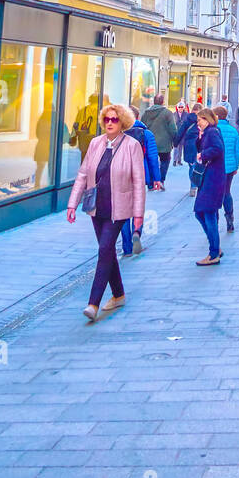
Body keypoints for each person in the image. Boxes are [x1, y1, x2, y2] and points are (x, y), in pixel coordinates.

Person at [67, 104, 146, 321]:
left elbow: (139, 182)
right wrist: (72, 203)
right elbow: (83, 174)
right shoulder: (95, 143)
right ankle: (118, 294)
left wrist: (138, 215)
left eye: (115, 120)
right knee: (108, 251)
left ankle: (93, 303)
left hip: (119, 208)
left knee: (104, 248)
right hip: (96, 206)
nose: (110, 123)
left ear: (123, 123)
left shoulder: (132, 146)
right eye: (107, 119)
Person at [120, 109, 160, 256]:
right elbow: (152, 157)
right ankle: (136, 232)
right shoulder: (146, 134)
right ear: (137, 117)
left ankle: (126, 247)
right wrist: (156, 178)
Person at [193, 106, 225, 265]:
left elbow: (217, 149)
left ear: (207, 119)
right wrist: (199, 139)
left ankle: (214, 253)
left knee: (206, 213)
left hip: (213, 179)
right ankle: (215, 248)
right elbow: (203, 146)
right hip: (210, 178)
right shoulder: (208, 132)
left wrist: (203, 155)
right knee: (201, 212)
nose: (198, 123)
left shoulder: (212, 132)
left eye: (200, 120)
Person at [141, 95, 177, 188]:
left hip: (149, 142)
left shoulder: (146, 113)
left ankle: (151, 182)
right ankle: (161, 180)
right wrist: (174, 140)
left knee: (150, 161)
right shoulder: (168, 113)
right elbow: (173, 129)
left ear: (154, 102)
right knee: (165, 160)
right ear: (162, 102)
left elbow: (142, 127)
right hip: (164, 143)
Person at [216, 104, 239, 233]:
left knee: (214, 193)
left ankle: (214, 220)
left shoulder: (213, 129)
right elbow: (237, 151)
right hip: (229, 166)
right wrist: (236, 166)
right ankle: (229, 218)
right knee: (226, 192)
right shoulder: (233, 130)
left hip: (215, 167)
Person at [175, 102, 201, 195]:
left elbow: (180, 132)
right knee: (197, 165)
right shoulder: (202, 120)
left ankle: (193, 186)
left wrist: (175, 143)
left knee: (191, 166)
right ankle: (195, 185)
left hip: (189, 145)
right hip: (199, 144)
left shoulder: (187, 119)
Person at [171, 101, 186, 166]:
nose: (180, 108)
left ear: (183, 107)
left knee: (180, 148)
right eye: (179, 107)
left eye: (182, 107)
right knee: (176, 147)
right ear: (177, 108)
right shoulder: (174, 114)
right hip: (176, 133)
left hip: (183, 133)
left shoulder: (186, 114)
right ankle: (174, 160)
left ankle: (179, 160)